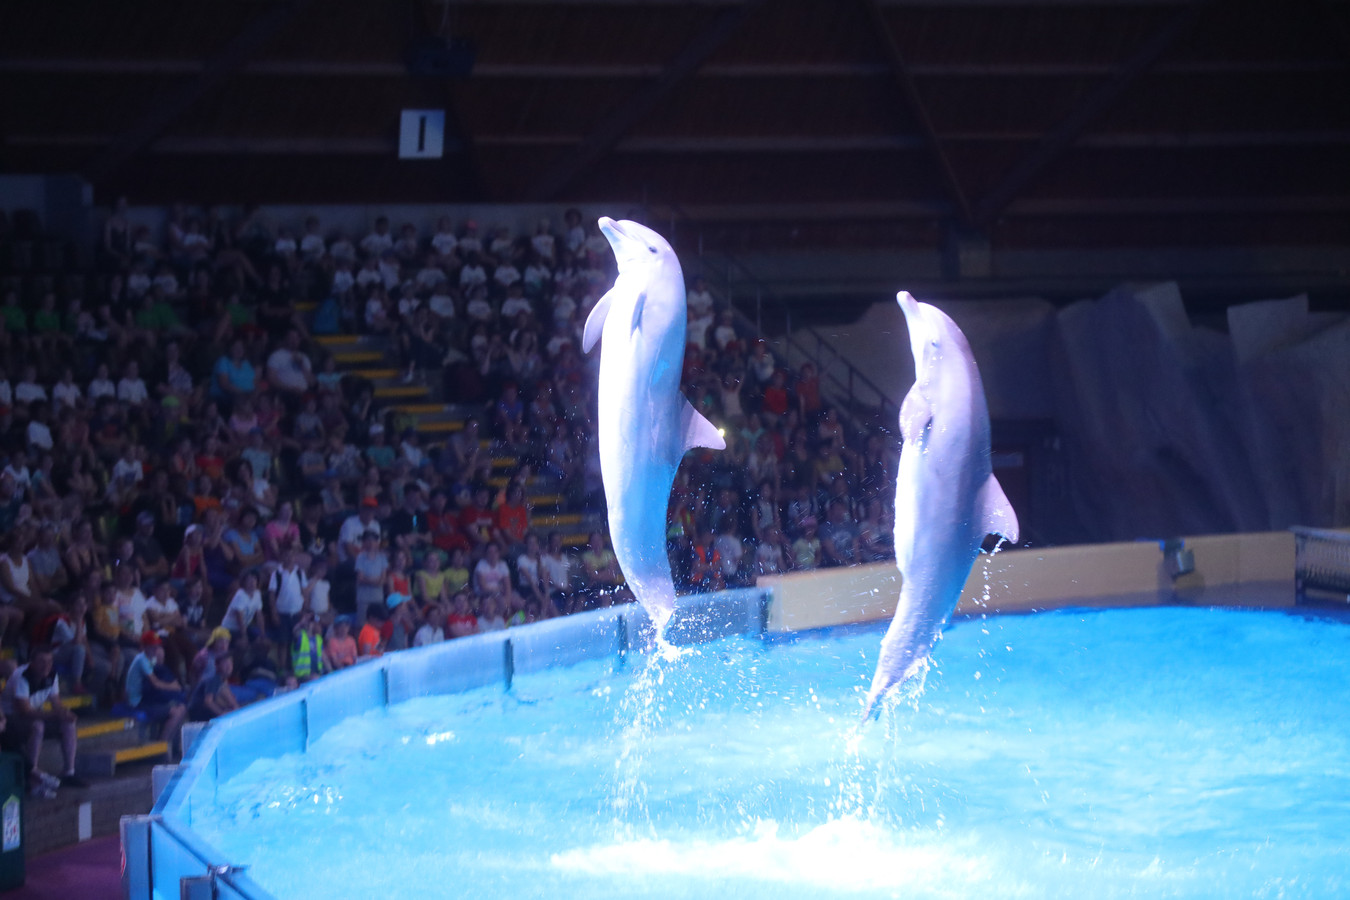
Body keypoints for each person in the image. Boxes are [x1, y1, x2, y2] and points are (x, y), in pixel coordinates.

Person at [0, 647, 86, 797]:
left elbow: (56, 703)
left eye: (50, 661)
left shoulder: (52, 675)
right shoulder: (22, 676)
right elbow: (24, 711)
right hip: (12, 719)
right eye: (42, 661)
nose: (46, 665)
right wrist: (53, 715)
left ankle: (69, 772)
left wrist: (63, 713)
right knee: (37, 726)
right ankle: (32, 778)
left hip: (33, 715)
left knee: (68, 724)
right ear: (32, 663)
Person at [124, 632, 188, 762]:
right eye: (152, 647)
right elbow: (156, 684)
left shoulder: (149, 659)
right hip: (137, 701)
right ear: (144, 647)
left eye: (157, 647)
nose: (155, 650)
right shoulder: (142, 660)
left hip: (145, 697)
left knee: (181, 707)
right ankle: (161, 746)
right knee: (177, 712)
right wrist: (174, 687)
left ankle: (171, 747)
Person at [187, 653, 238, 722]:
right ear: (217, 666)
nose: (229, 666)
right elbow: (208, 701)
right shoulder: (214, 678)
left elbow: (230, 698)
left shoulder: (221, 678)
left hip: (200, 709)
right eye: (225, 663)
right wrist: (222, 714)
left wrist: (236, 708)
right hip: (198, 713)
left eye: (230, 663)